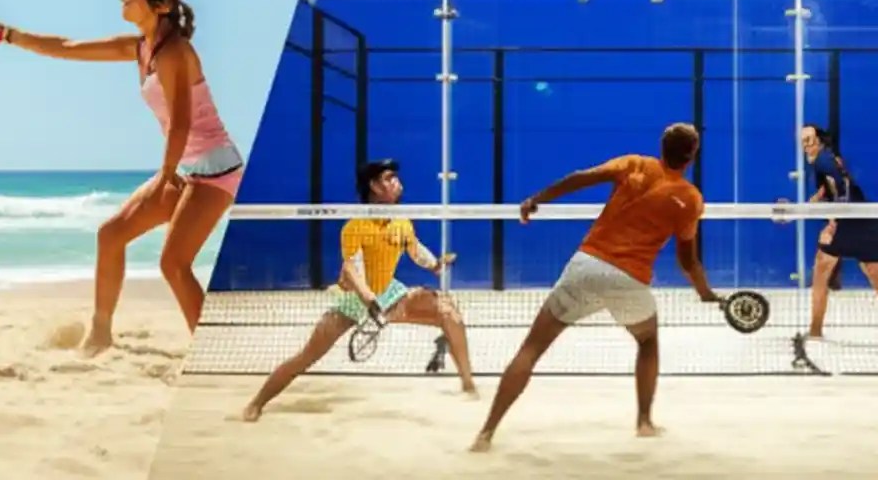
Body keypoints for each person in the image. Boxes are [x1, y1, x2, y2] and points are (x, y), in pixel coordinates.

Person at [0, 0, 243, 357]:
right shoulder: (140, 48)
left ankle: (215, 353)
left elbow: (181, 123)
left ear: (160, 4)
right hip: (185, 170)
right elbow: (67, 47)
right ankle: (100, 334)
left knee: (173, 264)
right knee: (111, 235)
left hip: (216, 171)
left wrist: (165, 175)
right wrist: (9, 35)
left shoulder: (174, 52)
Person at [470, 123, 721, 453]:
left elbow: (579, 178)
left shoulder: (634, 164)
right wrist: (705, 293)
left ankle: (486, 433)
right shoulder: (690, 199)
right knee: (647, 342)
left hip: (585, 266)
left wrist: (537, 199)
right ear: (692, 157)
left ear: (662, 147)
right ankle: (644, 422)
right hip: (630, 281)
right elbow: (688, 260)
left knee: (530, 349)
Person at [242, 158, 478, 422]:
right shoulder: (355, 227)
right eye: (389, 178)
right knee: (307, 356)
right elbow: (352, 269)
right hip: (354, 300)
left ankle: (468, 384)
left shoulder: (402, 222)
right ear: (374, 186)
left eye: (396, 177)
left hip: (389, 292)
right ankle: (257, 403)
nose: (397, 183)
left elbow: (415, 249)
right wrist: (368, 299)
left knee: (447, 311)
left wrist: (434, 265)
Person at [798, 124, 878, 338]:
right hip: (865, 221)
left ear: (819, 141)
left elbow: (843, 188)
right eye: (802, 141)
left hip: (850, 221)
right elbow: (833, 185)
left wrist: (834, 222)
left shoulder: (823, 161)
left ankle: (815, 331)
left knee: (821, 271)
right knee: (874, 272)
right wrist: (818, 197)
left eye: (809, 140)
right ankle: (815, 330)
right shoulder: (827, 159)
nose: (805, 145)